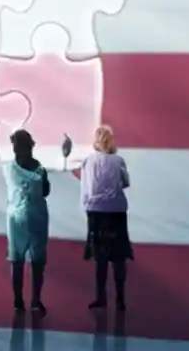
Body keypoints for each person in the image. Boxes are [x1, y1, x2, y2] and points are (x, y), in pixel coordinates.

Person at [80, 124, 133, 310]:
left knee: (100, 257)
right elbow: (126, 183)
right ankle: (120, 298)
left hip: (95, 211)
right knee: (118, 257)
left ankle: (100, 297)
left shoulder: (88, 161)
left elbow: (85, 188)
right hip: (116, 211)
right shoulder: (119, 161)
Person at [4, 129, 51, 315]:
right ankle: (35, 301)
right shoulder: (40, 171)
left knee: (17, 260)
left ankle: (18, 301)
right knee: (37, 261)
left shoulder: (9, 169)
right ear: (31, 146)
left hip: (16, 219)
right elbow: (46, 191)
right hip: (37, 216)